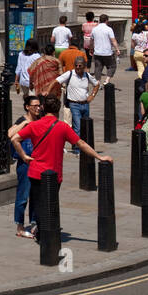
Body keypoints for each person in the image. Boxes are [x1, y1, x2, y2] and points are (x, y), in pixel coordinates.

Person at [10, 93, 113, 244]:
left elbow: (14, 139)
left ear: (44, 108)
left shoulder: (34, 125)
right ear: (58, 109)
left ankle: (40, 229)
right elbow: (81, 144)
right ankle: (45, 231)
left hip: (36, 171)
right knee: (50, 203)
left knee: (38, 204)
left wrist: (24, 156)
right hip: (54, 173)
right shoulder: (63, 127)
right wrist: (99, 157)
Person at [9, 95, 43, 238]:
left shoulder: (41, 120)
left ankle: (34, 222)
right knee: (23, 195)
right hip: (25, 163)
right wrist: (25, 123)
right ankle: (20, 226)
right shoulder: (22, 120)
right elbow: (10, 134)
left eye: (39, 105)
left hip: (38, 162)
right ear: (27, 107)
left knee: (36, 194)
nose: (38, 108)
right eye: (34, 105)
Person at [55, 54, 99, 150]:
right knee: (78, 127)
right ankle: (76, 148)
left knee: (86, 126)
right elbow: (56, 81)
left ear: (84, 66)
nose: (78, 67)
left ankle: (85, 146)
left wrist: (92, 95)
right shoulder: (70, 74)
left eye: (80, 65)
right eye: (76, 65)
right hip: (74, 104)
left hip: (85, 104)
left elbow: (96, 84)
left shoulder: (87, 75)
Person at [90, 15, 119, 84]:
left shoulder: (94, 29)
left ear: (99, 20)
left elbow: (91, 41)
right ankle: (107, 80)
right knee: (112, 66)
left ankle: (97, 82)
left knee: (98, 68)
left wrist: (91, 49)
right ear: (107, 20)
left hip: (97, 52)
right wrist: (117, 49)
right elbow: (113, 40)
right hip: (107, 52)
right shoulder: (109, 29)